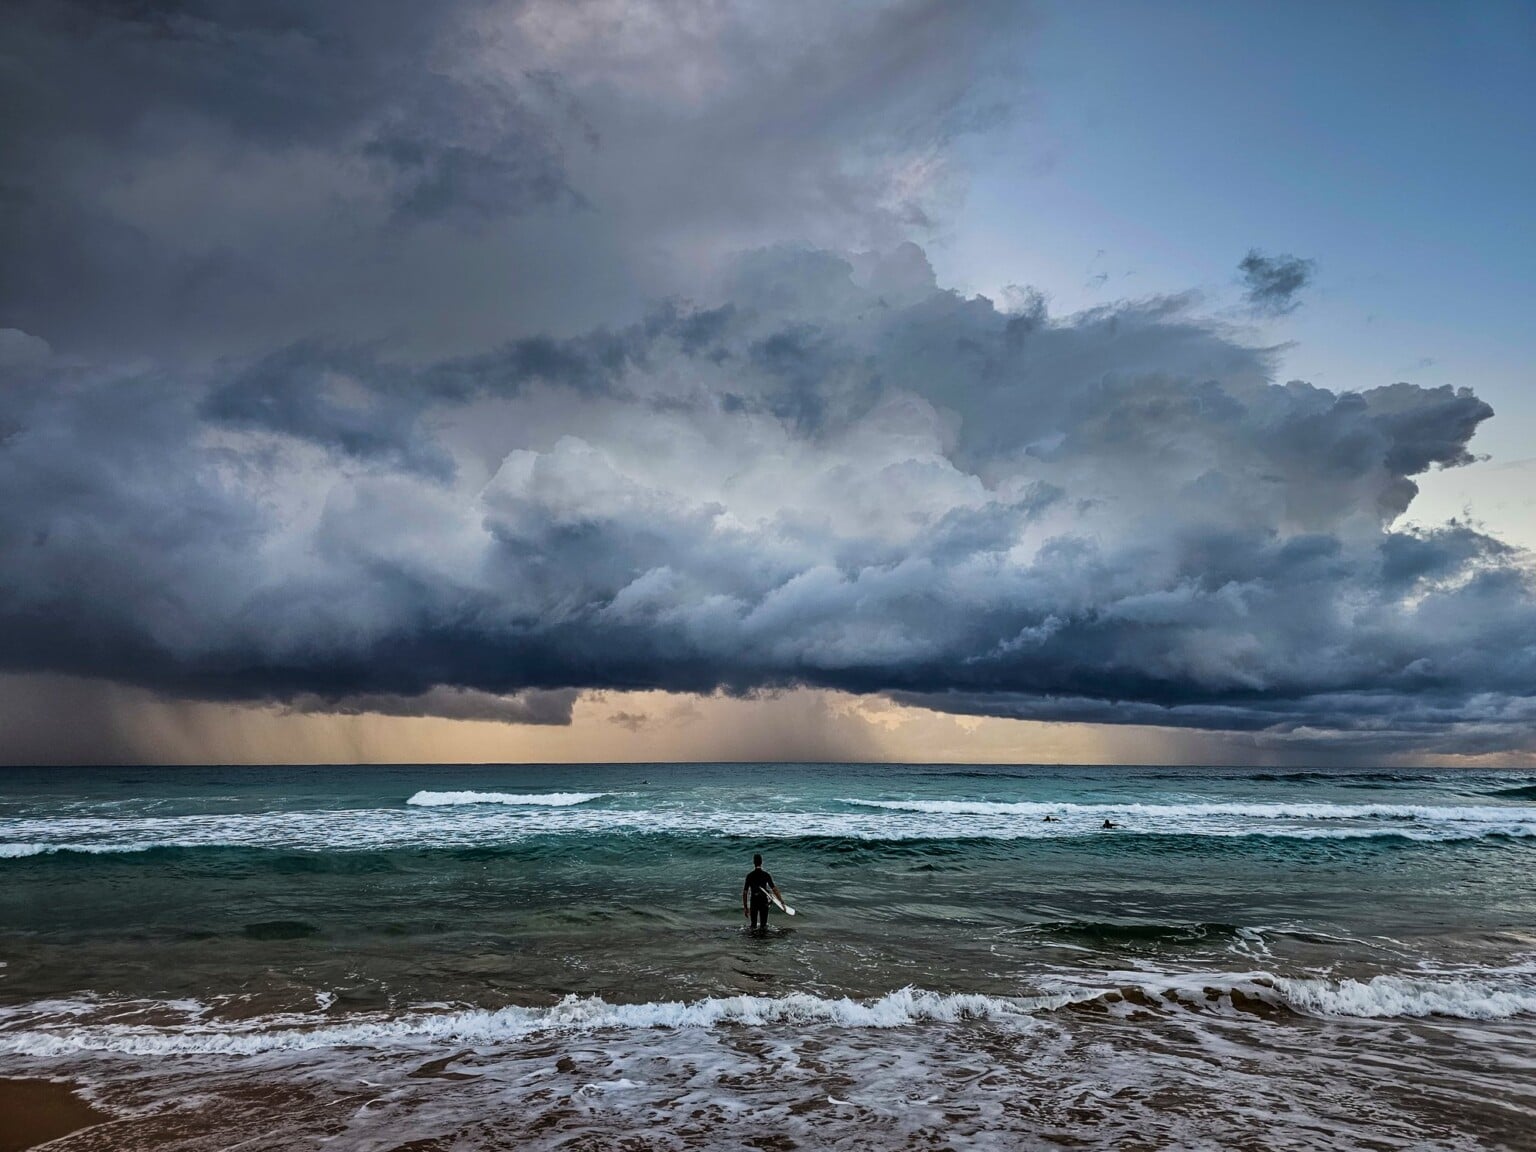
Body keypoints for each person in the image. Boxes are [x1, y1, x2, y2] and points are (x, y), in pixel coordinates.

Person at [742, 853, 784, 932]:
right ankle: (764, 942)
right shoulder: (766, 875)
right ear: (761, 862)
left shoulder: (749, 876)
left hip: (754, 900)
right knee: (763, 926)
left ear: (754, 863)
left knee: (753, 925)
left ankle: (753, 942)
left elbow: (745, 892)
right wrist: (781, 900)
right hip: (763, 901)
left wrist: (745, 907)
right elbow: (774, 889)